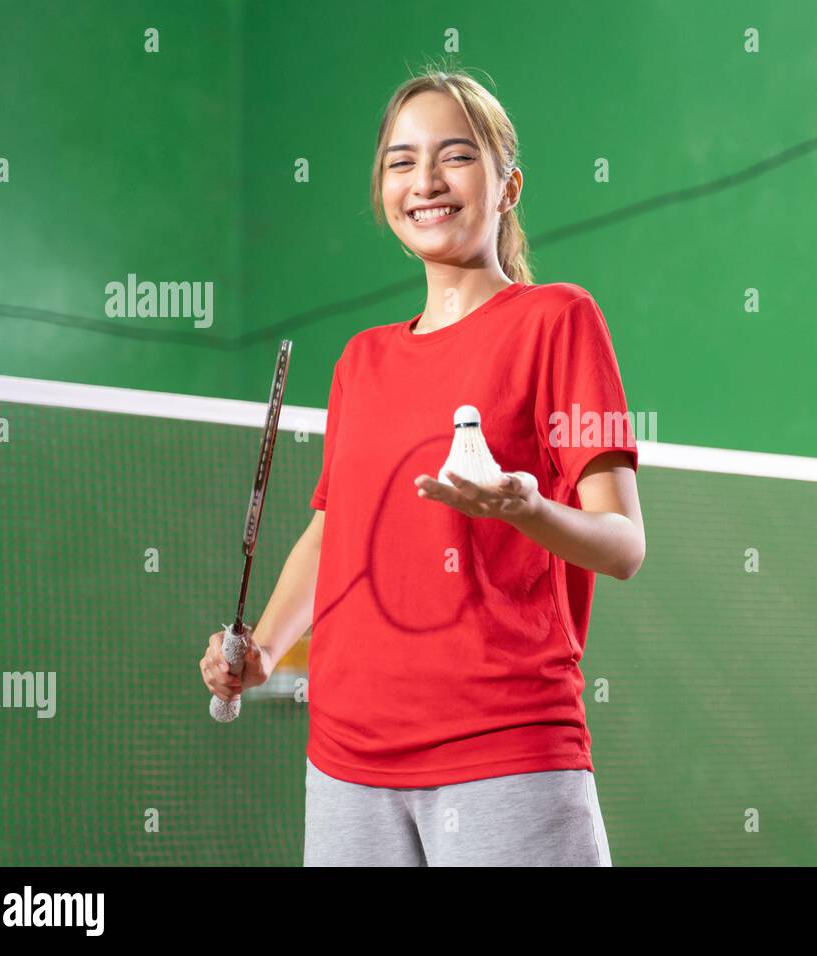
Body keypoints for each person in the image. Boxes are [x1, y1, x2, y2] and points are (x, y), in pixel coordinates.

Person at [199, 66, 645, 867]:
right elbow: (332, 534)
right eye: (401, 162)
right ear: (382, 192)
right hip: (346, 761)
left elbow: (622, 545)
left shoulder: (558, 319)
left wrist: (527, 509)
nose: (426, 182)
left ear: (508, 185)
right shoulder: (360, 360)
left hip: (505, 751)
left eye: (456, 156)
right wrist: (262, 648)